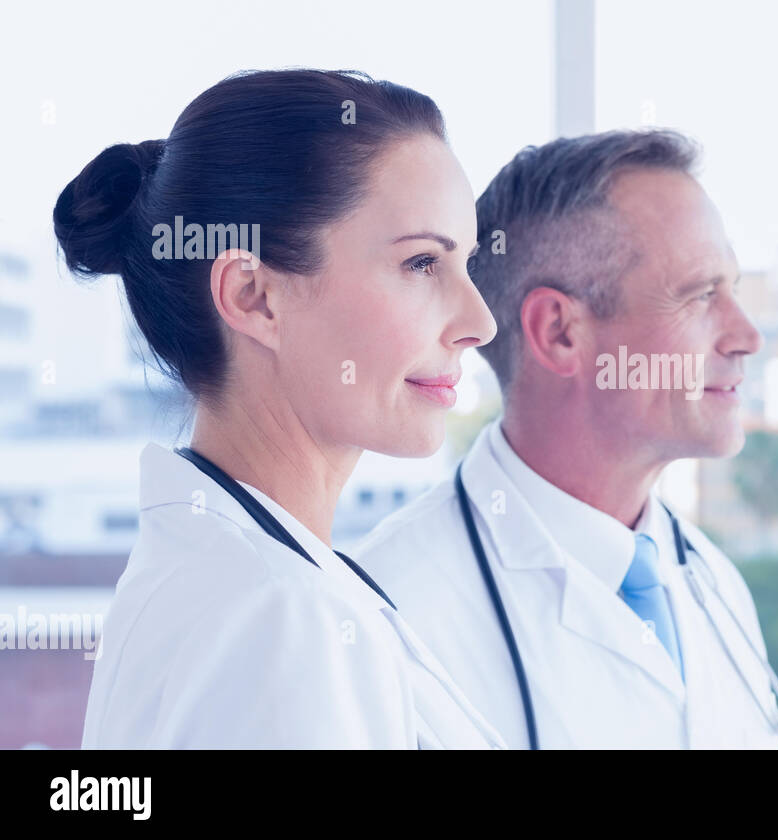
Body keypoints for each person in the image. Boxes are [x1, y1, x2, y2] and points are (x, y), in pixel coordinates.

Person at [56, 69, 504, 748]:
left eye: (466, 264)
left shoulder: (250, 584)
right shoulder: (279, 616)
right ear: (254, 297)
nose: (479, 321)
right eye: (421, 264)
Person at [356, 129, 778, 748]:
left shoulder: (712, 583)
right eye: (701, 295)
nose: (746, 334)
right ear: (560, 332)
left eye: (735, 290)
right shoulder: (387, 617)